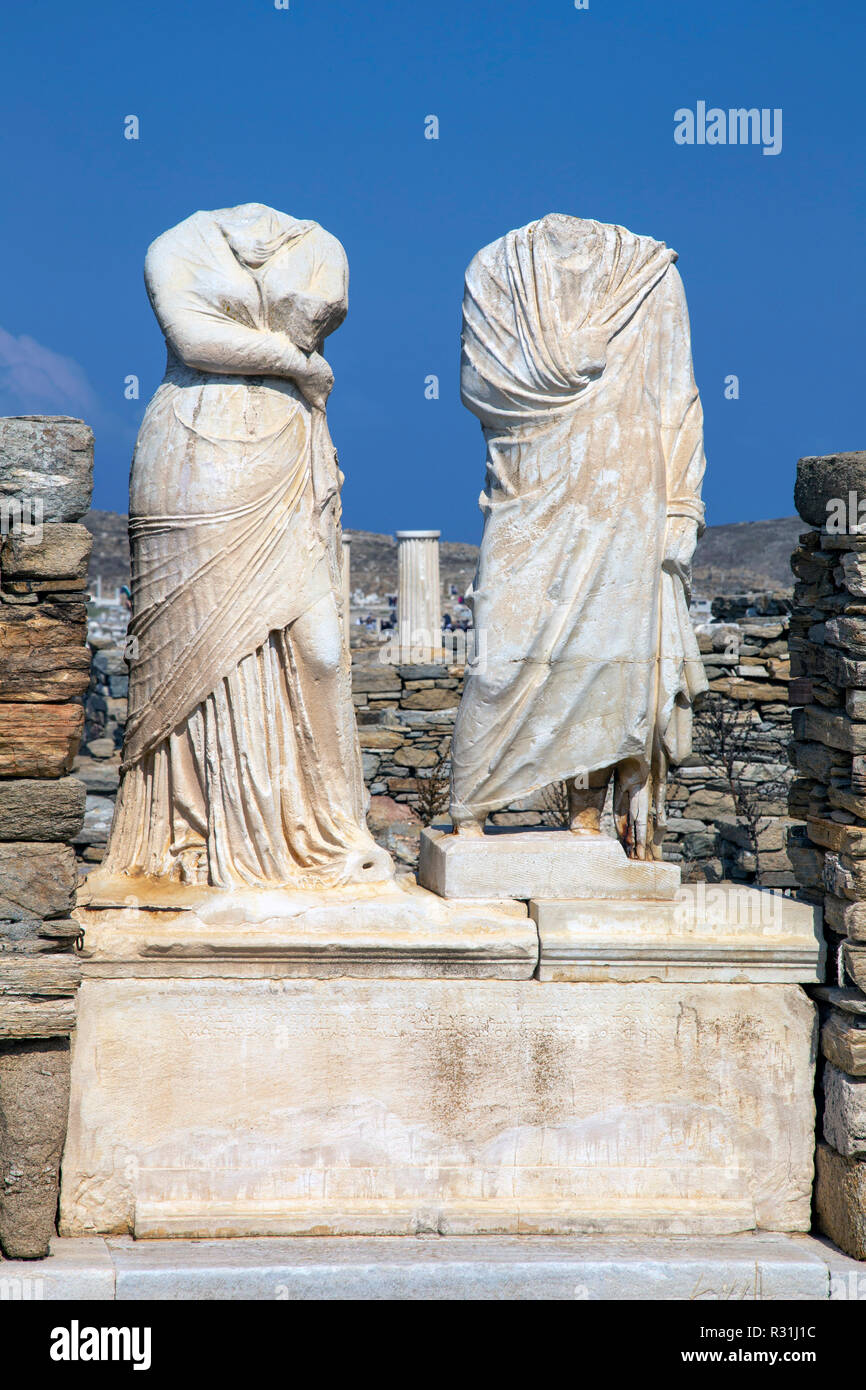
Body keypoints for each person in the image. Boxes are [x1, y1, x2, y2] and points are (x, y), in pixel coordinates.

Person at [97, 204, 390, 889]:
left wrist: (293, 358)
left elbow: (316, 316)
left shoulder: (321, 244)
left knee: (317, 646)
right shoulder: (174, 243)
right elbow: (193, 339)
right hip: (192, 448)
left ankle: (317, 827)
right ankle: (194, 841)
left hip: (286, 449)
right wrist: (295, 361)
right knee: (197, 648)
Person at [449, 215, 707, 859]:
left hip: (628, 490)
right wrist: (562, 362)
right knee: (499, 655)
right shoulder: (496, 266)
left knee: (606, 658)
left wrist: (682, 504)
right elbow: (479, 386)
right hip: (530, 485)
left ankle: (589, 820)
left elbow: (680, 396)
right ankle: (469, 809)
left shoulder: (650, 274)